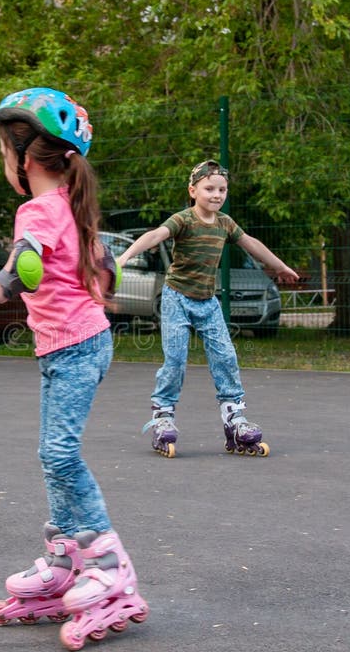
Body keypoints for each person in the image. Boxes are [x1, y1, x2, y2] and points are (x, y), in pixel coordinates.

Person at [0, 87, 148, 651]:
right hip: (72, 346)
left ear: (25, 160)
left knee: (59, 453)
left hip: (75, 347)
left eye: (6, 153)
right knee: (52, 453)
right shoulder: (72, 207)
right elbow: (101, 268)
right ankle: (63, 559)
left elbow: (22, 265)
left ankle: (107, 560)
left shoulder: (38, 209)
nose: (7, 163)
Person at [116, 159, 299, 458]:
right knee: (175, 359)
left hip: (207, 302)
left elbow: (251, 243)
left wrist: (279, 266)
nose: (216, 195)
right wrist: (124, 258)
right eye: (209, 189)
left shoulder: (226, 223)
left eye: (222, 190)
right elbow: (155, 236)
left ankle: (235, 420)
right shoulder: (183, 220)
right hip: (176, 298)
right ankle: (163, 416)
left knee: (226, 356)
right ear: (193, 190)